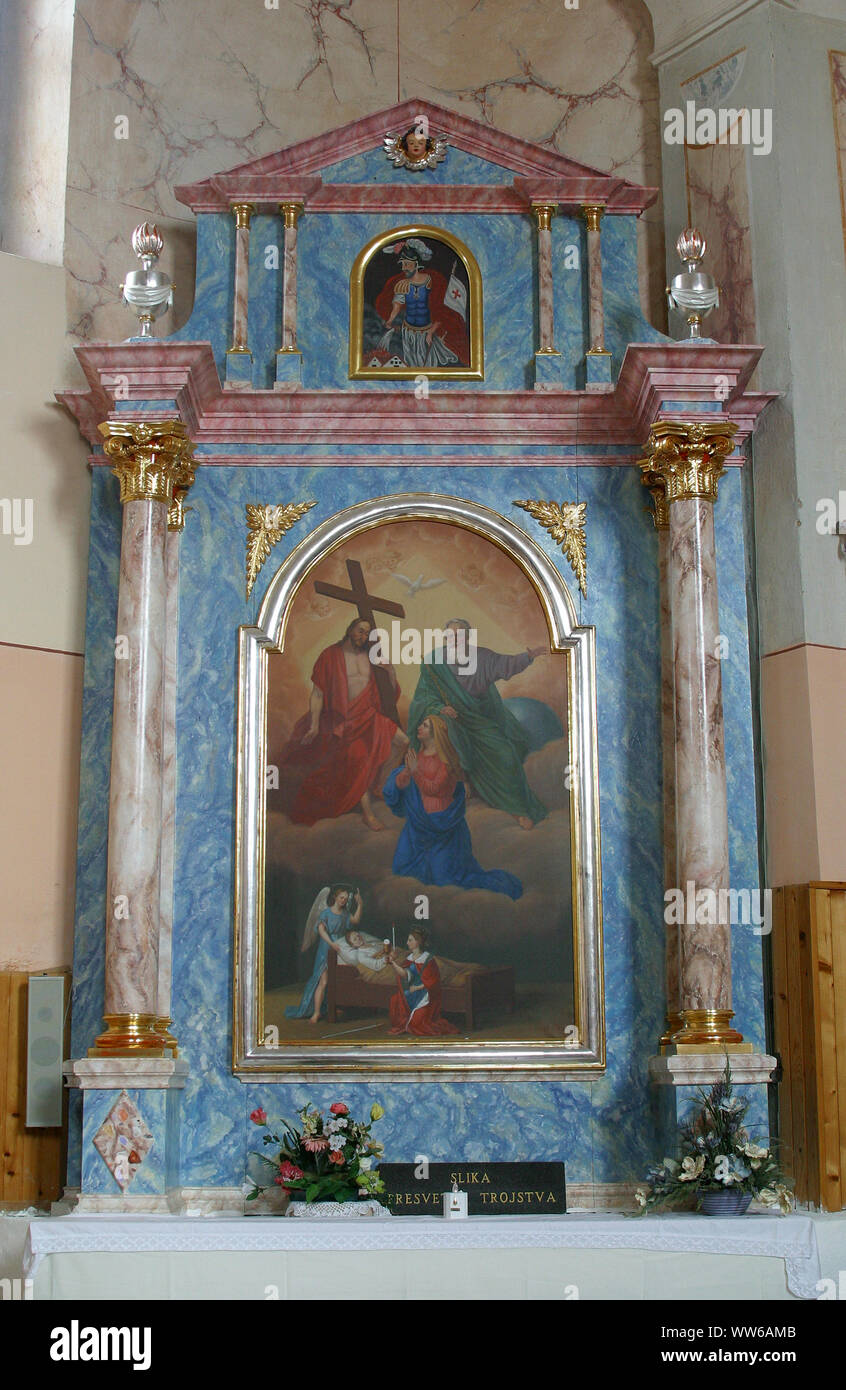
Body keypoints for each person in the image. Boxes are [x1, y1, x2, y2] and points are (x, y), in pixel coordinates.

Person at [406, 619, 547, 829]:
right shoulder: (434, 661)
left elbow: (505, 665)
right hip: (452, 720)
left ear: (468, 637)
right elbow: (424, 697)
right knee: (445, 730)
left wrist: (528, 657)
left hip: (480, 721)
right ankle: (458, 787)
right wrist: (439, 708)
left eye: (460, 635)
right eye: (451, 635)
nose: (455, 640)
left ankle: (518, 808)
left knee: (505, 754)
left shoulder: (481, 657)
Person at [282, 617, 407, 830]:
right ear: (350, 630)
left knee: (404, 742)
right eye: (360, 630)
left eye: (367, 633)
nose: (363, 636)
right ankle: (368, 814)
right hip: (344, 720)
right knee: (360, 761)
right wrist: (314, 725)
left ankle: (380, 785)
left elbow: (388, 693)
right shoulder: (330, 656)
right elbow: (318, 693)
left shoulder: (372, 657)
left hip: (369, 714)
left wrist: (391, 672)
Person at [383, 715, 522, 898]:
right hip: (418, 825)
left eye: (424, 726)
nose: (419, 728)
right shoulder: (417, 757)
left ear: (435, 734)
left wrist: (415, 771)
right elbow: (403, 784)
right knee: (404, 872)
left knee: (446, 881)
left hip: (442, 828)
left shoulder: (445, 762)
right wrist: (407, 773)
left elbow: (434, 789)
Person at [375, 238, 467, 368]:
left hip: (427, 330)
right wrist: (390, 320)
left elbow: (441, 310)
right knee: (411, 363)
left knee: (429, 364)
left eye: (407, 264)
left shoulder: (431, 282)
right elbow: (397, 304)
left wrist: (431, 331)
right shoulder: (402, 284)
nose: (404, 268)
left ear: (416, 264)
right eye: (402, 264)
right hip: (408, 332)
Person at [286, 885, 362, 1023]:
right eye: (341, 897)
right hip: (326, 947)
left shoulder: (345, 913)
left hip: (341, 947)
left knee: (337, 980)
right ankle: (316, 1013)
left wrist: (360, 904)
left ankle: (330, 1007)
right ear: (335, 897)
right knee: (324, 981)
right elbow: (321, 931)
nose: (343, 900)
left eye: (345, 898)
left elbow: (355, 920)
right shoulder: (326, 913)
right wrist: (331, 944)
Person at [387, 928, 459, 1036]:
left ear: (418, 941)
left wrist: (416, 988)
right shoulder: (409, 958)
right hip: (411, 993)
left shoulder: (428, 959)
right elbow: (405, 975)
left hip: (425, 995)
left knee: (418, 1024)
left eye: (410, 940)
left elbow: (432, 982)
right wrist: (393, 963)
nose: (407, 943)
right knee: (395, 1000)